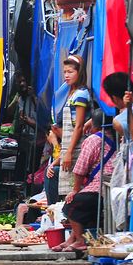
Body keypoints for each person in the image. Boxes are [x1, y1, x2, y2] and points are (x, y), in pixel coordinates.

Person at [56, 110, 118, 253]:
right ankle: (72, 239)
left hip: (99, 189)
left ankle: (80, 240)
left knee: (71, 204)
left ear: (94, 125)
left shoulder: (94, 139)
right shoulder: (118, 138)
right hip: (111, 187)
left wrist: (75, 190)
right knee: (79, 202)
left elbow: (80, 169)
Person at [53, 55, 91, 200]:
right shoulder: (72, 94)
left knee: (72, 191)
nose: (66, 76)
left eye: (70, 72)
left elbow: (79, 126)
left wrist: (69, 152)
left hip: (76, 149)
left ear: (79, 73)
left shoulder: (81, 94)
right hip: (69, 147)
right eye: (65, 72)